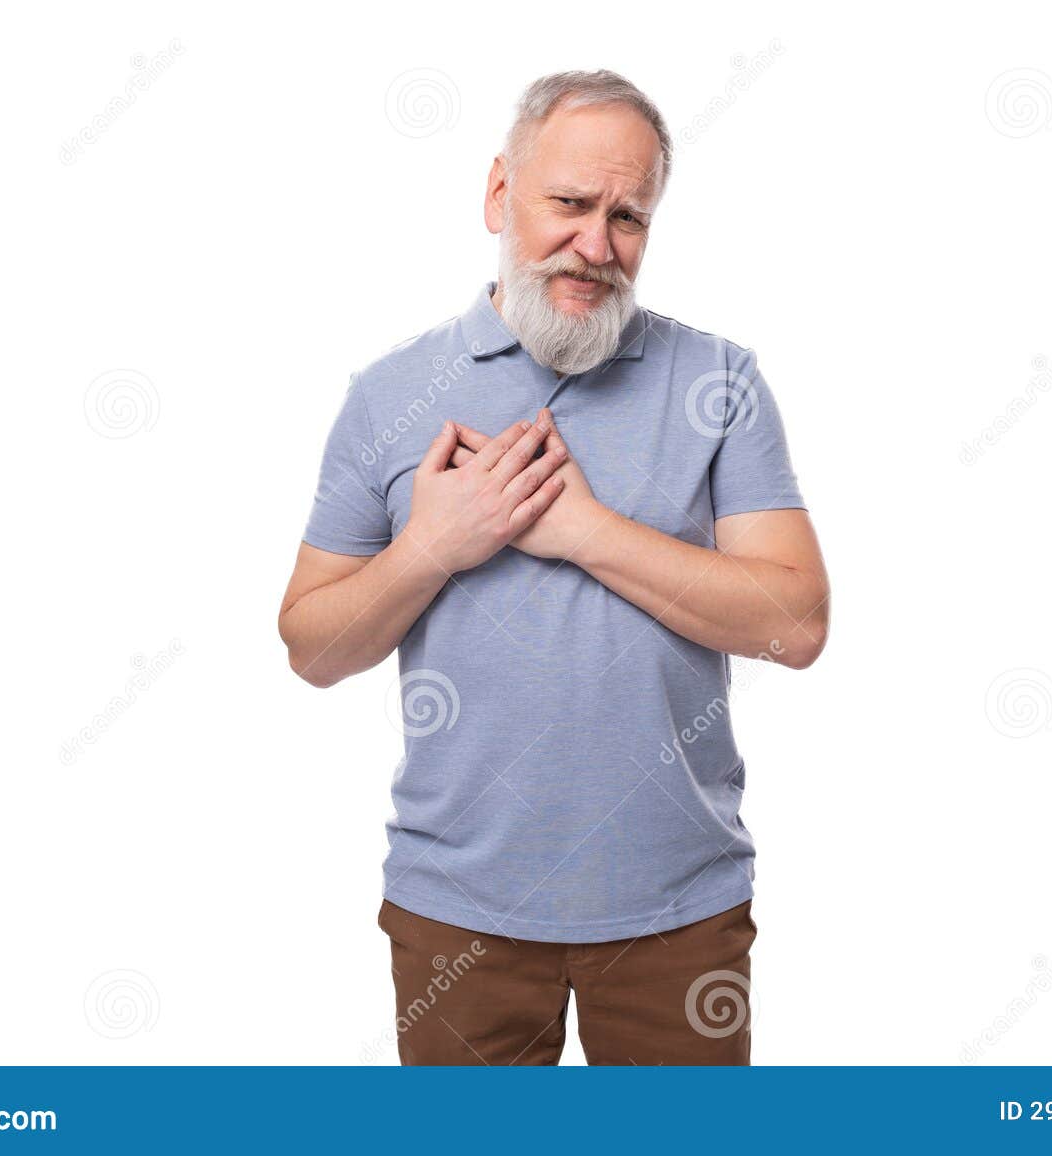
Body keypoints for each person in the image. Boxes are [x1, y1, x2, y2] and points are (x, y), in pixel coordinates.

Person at [278, 69, 828, 1065]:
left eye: (629, 216)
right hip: (458, 913)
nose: (596, 244)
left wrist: (580, 529)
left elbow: (796, 625)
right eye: (569, 203)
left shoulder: (719, 383)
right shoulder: (390, 394)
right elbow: (311, 648)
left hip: (679, 906)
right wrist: (436, 546)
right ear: (499, 194)